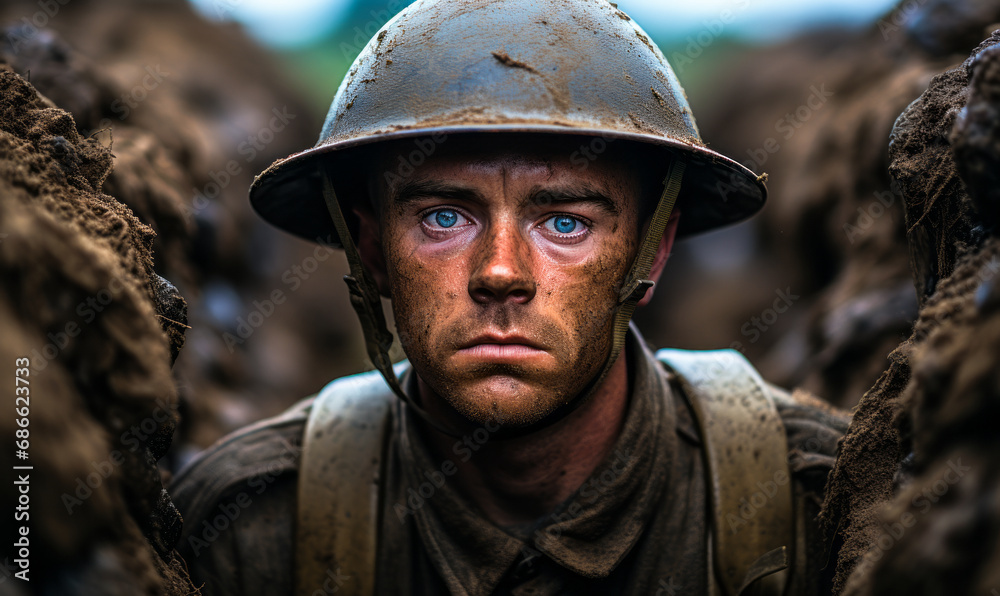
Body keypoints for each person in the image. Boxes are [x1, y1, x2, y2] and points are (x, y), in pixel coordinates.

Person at [172, 1, 849, 594]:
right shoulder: (250, 526)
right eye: (444, 217)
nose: (500, 272)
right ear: (370, 251)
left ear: (654, 251)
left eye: (565, 222)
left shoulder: (816, 503)